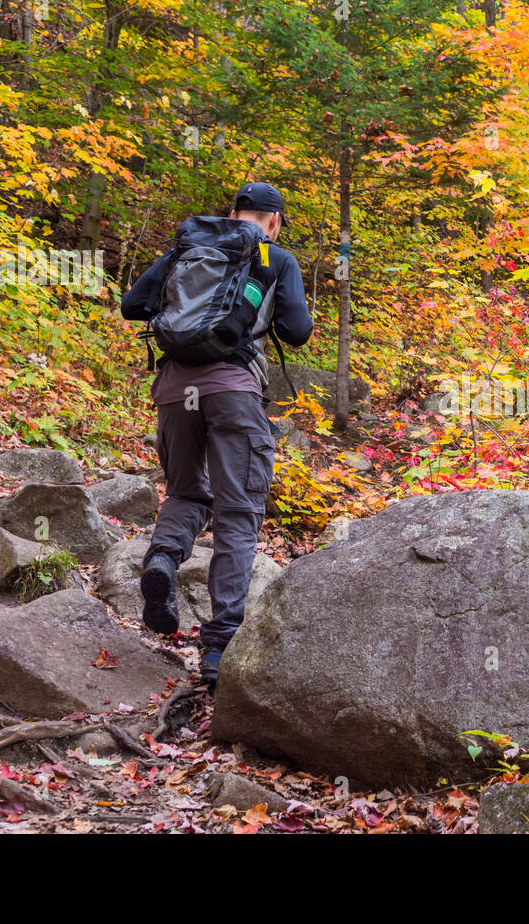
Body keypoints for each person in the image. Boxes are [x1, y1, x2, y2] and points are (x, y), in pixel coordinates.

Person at [121, 182, 313, 686]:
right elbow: (297, 330)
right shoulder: (276, 257)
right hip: (233, 391)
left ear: (234, 213)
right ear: (273, 220)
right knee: (239, 511)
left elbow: (133, 304)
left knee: (187, 491)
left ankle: (162, 558)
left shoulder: (190, 248)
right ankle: (220, 641)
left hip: (173, 390)